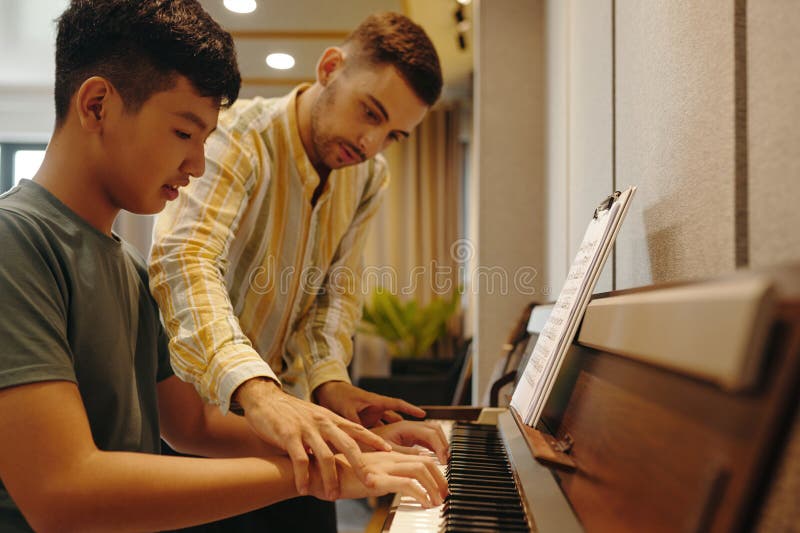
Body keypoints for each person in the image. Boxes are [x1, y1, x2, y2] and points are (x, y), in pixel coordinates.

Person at [0, 2, 447, 532]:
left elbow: (193, 425)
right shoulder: (15, 241)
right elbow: (62, 493)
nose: (197, 164)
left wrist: (350, 445)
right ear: (97, 105)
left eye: (203, 140)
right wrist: (310, 469)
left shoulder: (129, 268)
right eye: (183, 134)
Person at [149, 10, 447, 509]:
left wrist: (330, 384)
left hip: (297, 425)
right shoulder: (239, 136)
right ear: (330, 68)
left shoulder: (369, 177)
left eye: (393, 135)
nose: (371, 144)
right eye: (370, 113)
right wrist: (257, 390)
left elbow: (335, 297)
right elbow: (185, 261)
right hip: (199, 430)